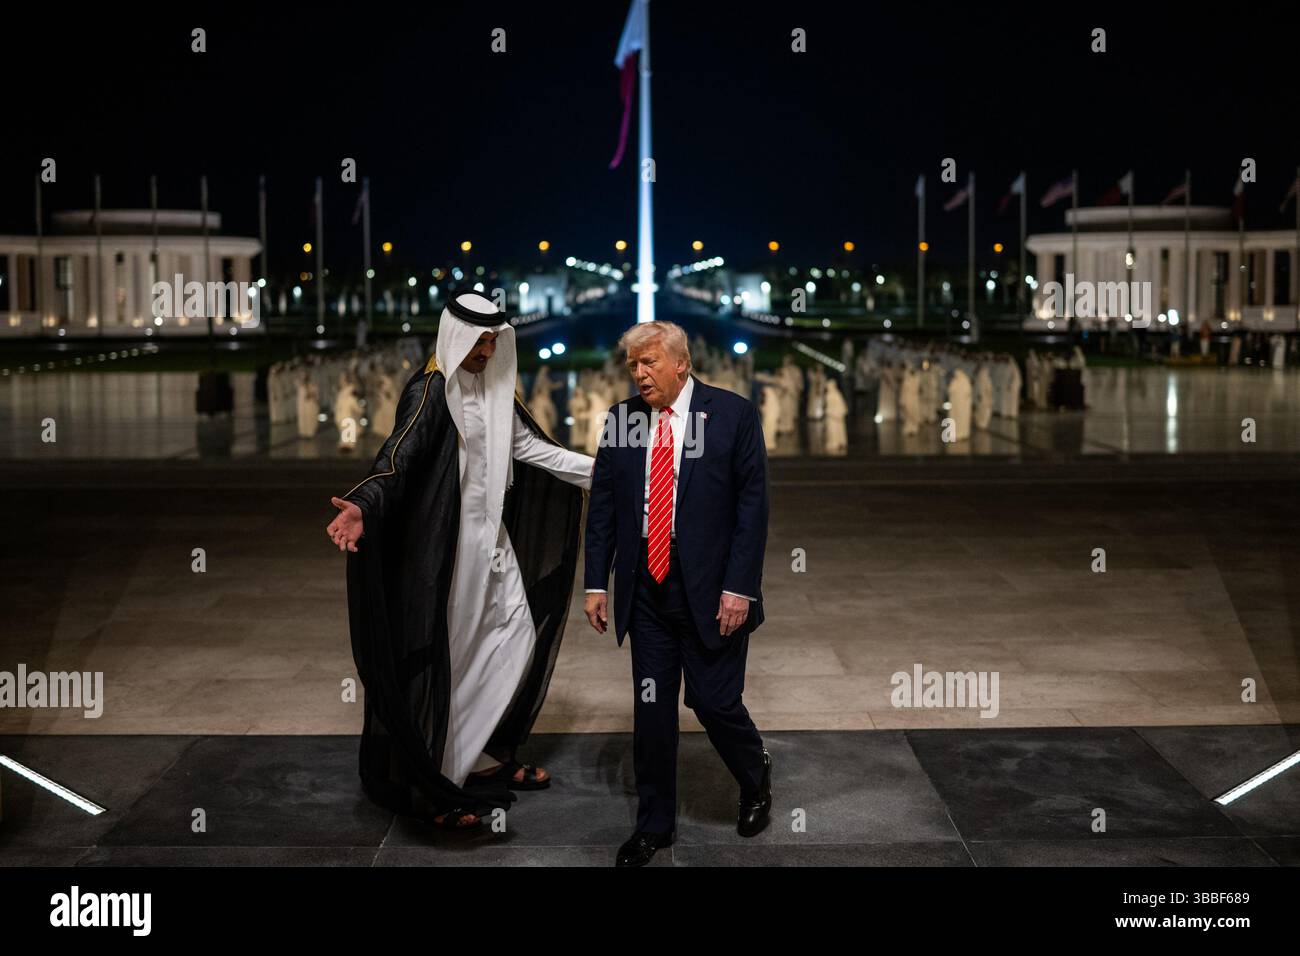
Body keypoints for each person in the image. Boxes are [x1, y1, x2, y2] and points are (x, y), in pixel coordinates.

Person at [326, 291, 594, 830]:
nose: (487, 349)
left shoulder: (495, 389)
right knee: (453, 653)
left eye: (495, 339)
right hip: (448, 548)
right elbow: (396, 456)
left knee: (514, 636)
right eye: (479, 339)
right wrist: (363, 502)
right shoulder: (430, 390)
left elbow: (533, 450)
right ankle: (439, 776)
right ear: (456, 336)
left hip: (491, 543)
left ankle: (475, 753)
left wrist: (606, 472)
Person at [584, 320, 771, 867]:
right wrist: (598, 582)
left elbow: (752, 510)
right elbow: (603, 508)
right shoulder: (621, 420)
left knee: (713, 703)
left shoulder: (732, 415)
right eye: (632, 365)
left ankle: (755, 776)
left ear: (681, 363)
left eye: (649, 363)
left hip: (712, 593)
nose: (639, 375)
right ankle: (654, 824)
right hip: (646, 592)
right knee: (652, 711)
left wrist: (740, 588)